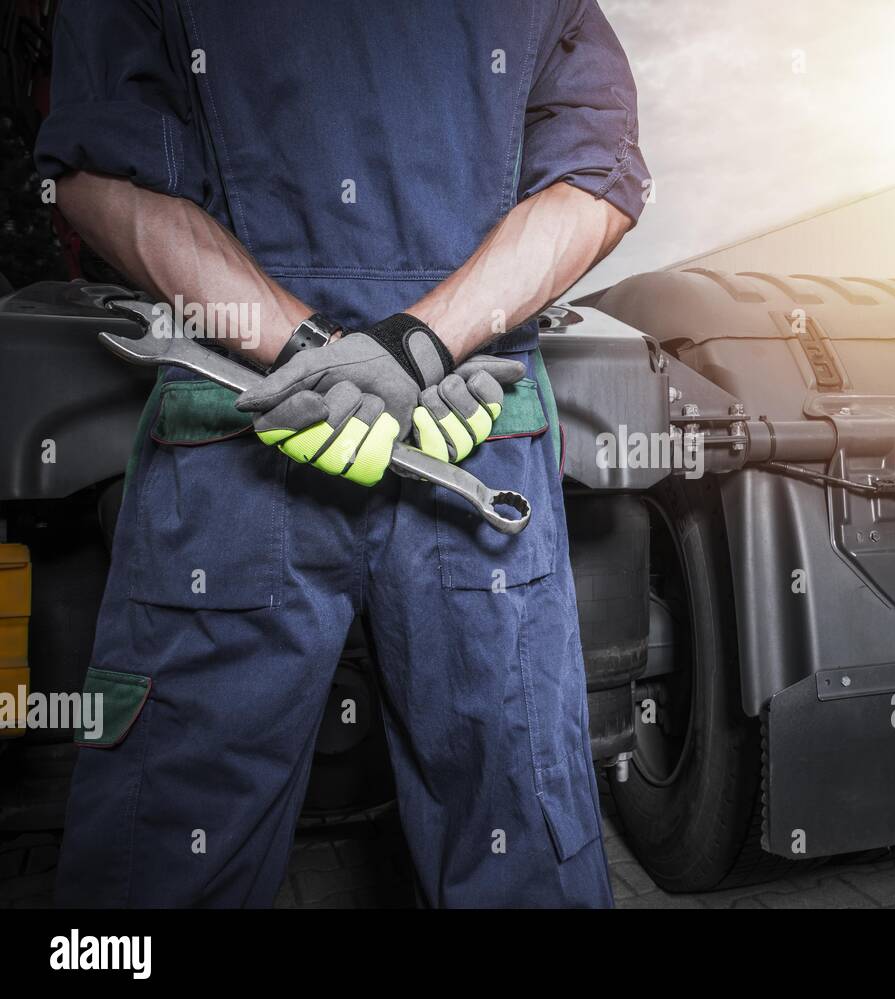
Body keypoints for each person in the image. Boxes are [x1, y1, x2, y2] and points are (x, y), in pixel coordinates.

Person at [35, 0, 649, 908]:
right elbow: (597, 183)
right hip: (464, 431)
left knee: (168, 853)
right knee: (519, 843)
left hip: (241, 433)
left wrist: (310, 353)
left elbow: (94, 171)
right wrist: (420, 346)